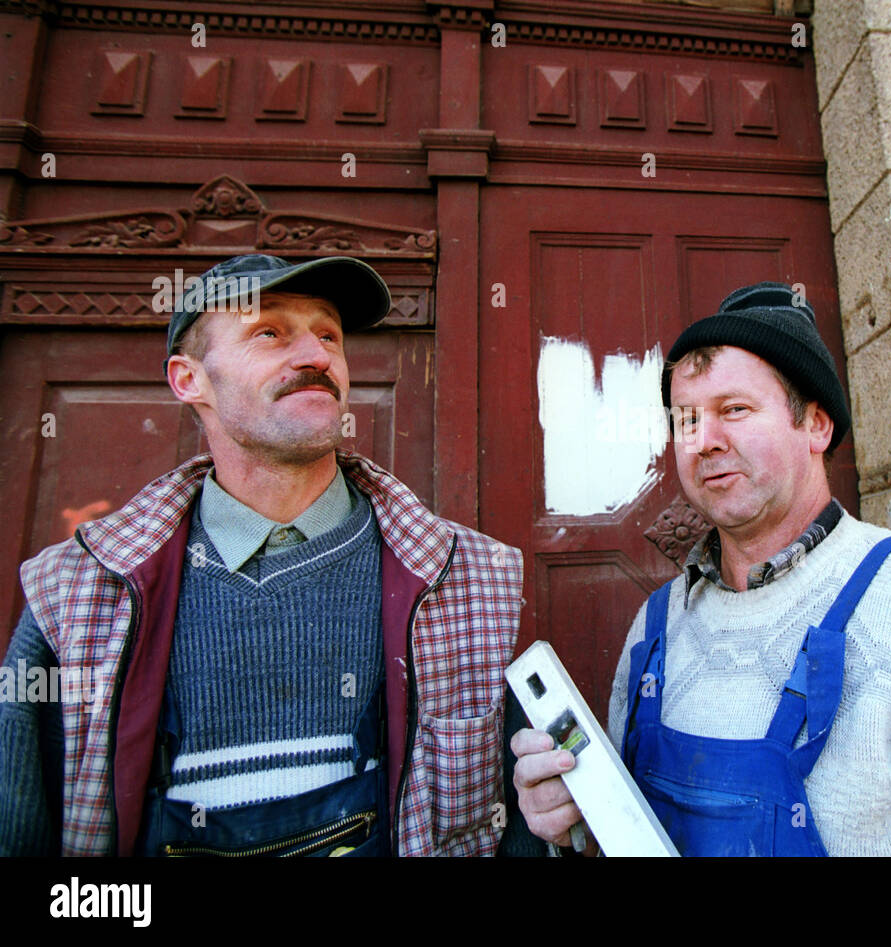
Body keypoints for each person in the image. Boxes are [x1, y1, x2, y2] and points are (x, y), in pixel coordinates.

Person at [512, 282, 891, 856]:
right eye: (687, 419)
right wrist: (577, 829)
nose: (706, 440)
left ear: (816, 424)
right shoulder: (654, 629)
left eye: (736, 409)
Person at [0, 254, 522, 857]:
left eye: (328, 335)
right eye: (269, 333)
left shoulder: (472, 582)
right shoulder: (75, 594)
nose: (317, 356)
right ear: (188, 380)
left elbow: (517, 830)